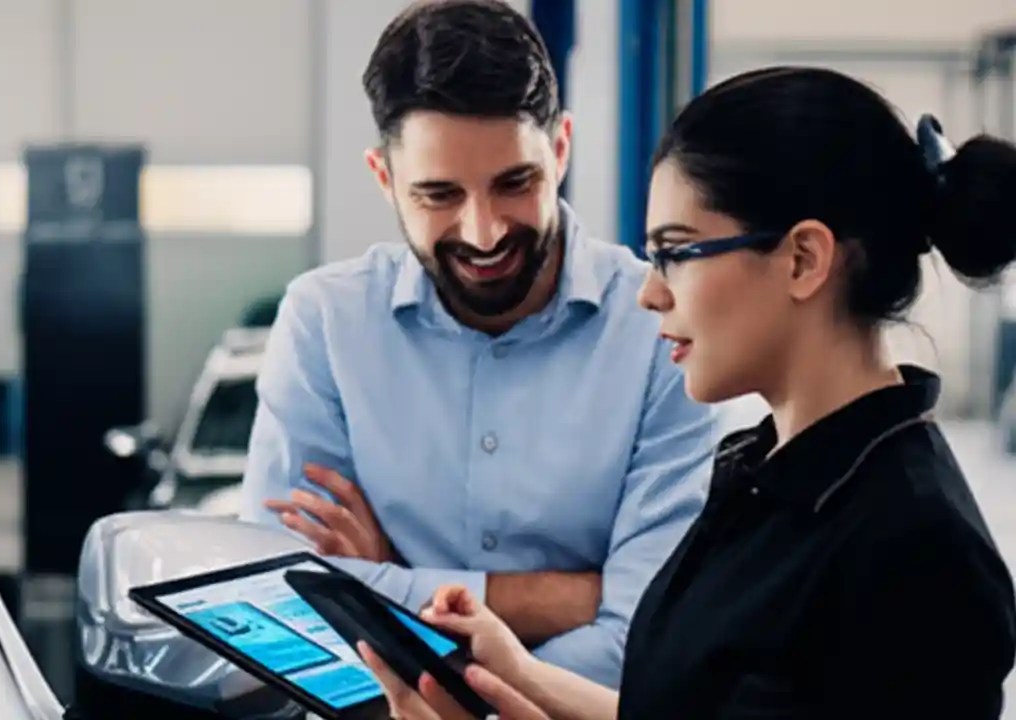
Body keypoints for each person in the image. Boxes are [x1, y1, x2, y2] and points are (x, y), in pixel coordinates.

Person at [359, 65, 1016, 719]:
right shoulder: (767, 473)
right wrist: (517, 673)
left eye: (678, 252)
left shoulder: (914, 549)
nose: (650, 292)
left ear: (803, 260)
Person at [238, 0, 718, 687]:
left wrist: (392, 588)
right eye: (438, 195)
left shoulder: (659, 327)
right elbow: (282, 604)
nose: (485, 232)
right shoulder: (325, 322)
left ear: (560, 149)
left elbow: (649, 631)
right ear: (384, 178)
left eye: (513, 184)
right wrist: (556, 597)